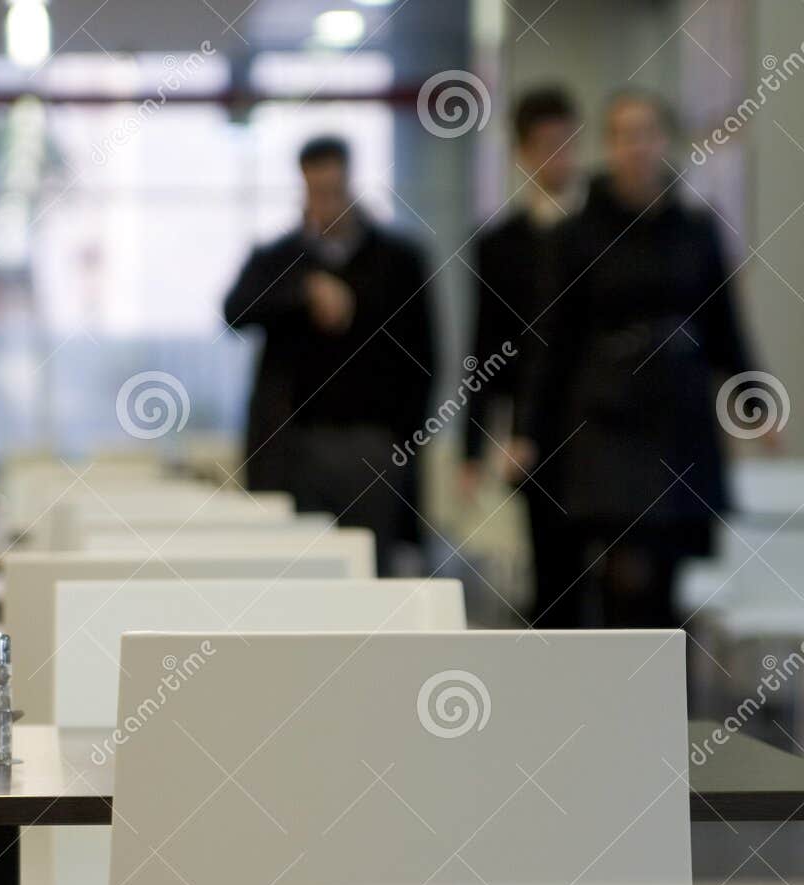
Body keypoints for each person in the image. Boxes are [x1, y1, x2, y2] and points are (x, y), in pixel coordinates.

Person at [513, 90, 760, 627]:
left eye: (648, 133)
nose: (638, 147)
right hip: (607, 421)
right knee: (623, 565)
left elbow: (723, 324)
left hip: (678, 414)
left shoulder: (697, 229)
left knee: (666, 569)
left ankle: (669, 701)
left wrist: (753, 396)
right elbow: (551, 340)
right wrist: (526, 428)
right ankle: (617, 696)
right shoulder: (576, 234)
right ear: (610, 146)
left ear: (664, 141)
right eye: (625, 135)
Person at [225, 136, 436, 575]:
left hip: (374, 446)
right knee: (298, 574)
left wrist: (405, 440)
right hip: (294, 445)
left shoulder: (397, 261)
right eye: (315, 192)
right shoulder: (279, 260)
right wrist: (303, 291)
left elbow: (425, 357)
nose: (325, 204)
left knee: (373, 575)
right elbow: (235, 312)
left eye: (333, 191)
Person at [461, 86, 583, 626]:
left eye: (566, 143)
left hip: (604, 422)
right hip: (537, 430)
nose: (557, 156)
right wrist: (472, 445)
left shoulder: (603, 230)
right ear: (522, 154)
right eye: (544, 145)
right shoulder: (501, 243)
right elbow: (485, 343)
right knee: (551, 567)